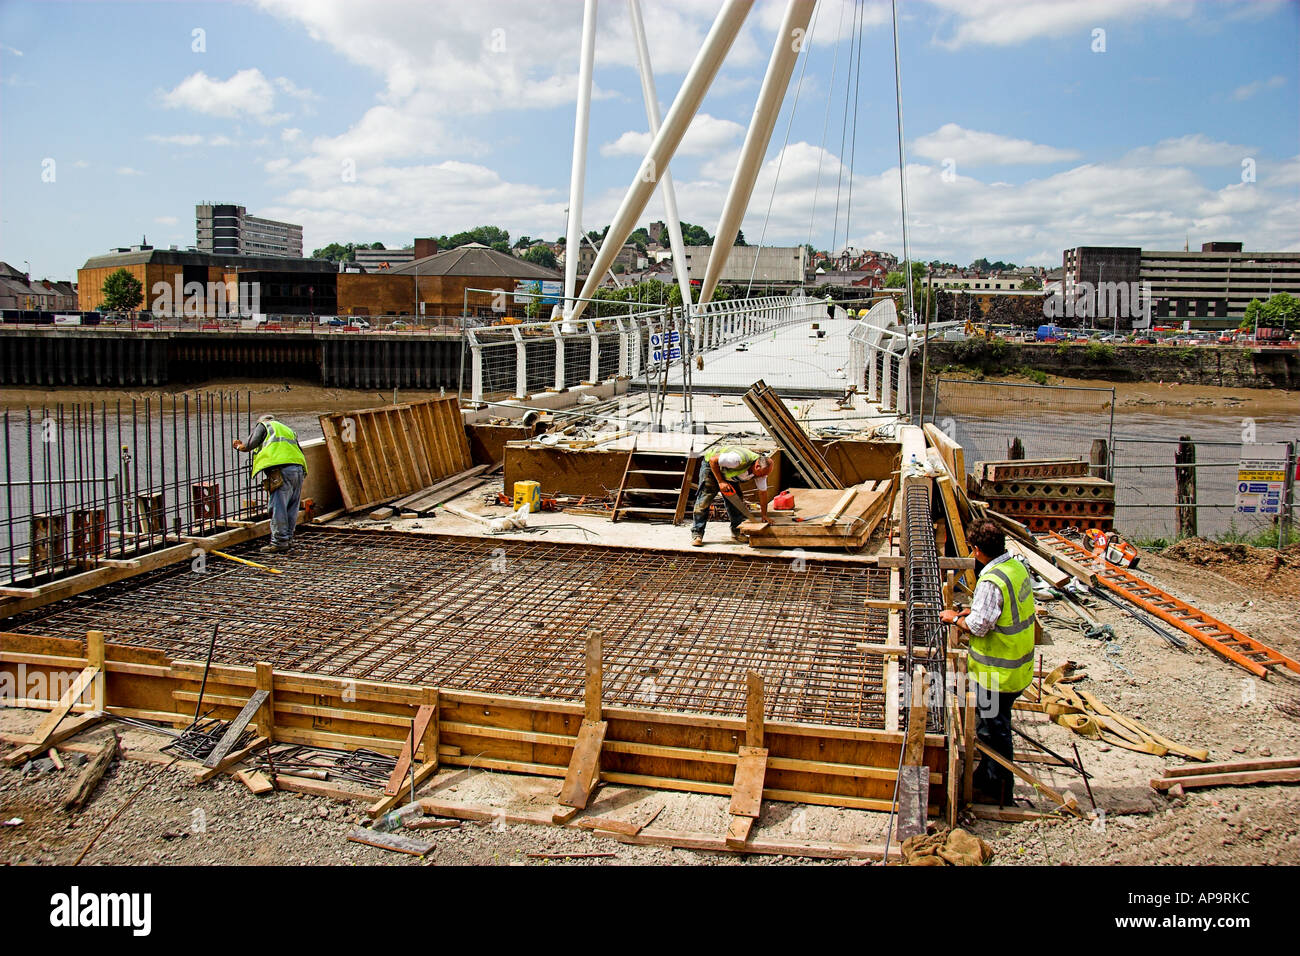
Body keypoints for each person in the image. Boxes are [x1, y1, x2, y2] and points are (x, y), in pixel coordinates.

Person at [940, 520, 1035, 804]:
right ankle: (986, 775)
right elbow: (1001, 611)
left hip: (997, 673)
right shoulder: (1015, 568)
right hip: (1018, 667)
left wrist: (955, 618)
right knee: (995, 724)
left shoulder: (991, 579)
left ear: (977, 550)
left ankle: (1000, 791)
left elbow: (979, 627)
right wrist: (975, 610)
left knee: (992, 731)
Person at [232, 413, 308, 554]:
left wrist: (238, 446)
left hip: (282, 469)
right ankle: (288, 539)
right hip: (298, 469)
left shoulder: (264, 426)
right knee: (291, 506)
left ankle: (279, 542)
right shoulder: (287, 428)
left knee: (278, 507)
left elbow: (249, 445)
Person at [690, 446, 772, 547]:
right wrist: (720, 481)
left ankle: (736, 532)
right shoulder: (737, 460)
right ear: (757, 466)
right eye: (762, 474)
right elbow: (713, 461)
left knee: (736, 503)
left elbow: (762, 493)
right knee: (705, 499)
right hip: (712, 467)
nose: (763, 477)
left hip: (728, 473)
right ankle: (697, 533)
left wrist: (764, 515)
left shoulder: (762, 472)